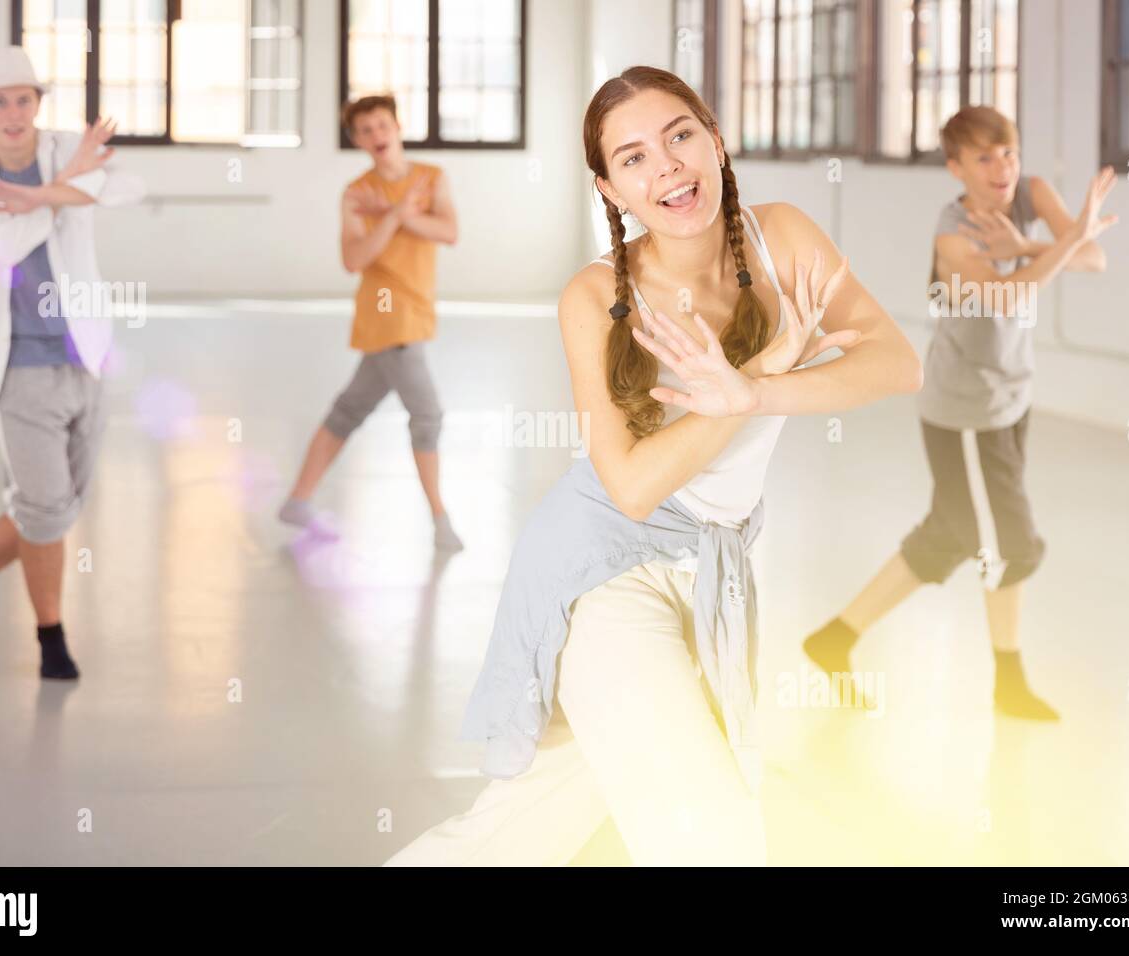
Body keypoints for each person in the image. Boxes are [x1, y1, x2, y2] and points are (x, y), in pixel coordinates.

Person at [385, 66, 922, 866]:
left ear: (716, 139)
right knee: (711, 837)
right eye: (633, 157)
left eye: (679, 136)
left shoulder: (786, 238)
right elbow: (631, 486)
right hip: (605, 576)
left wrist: (754, 389)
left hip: (713, 569)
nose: (666, 166)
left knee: (515, 835)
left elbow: (896, 363)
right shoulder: (596, 295)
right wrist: (747, 388)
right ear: (610, 189)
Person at [803, 106, 1117, 721]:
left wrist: (1034, 241)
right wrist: (1069, 238)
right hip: (965, 413)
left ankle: (833, 639)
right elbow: (1017, 289)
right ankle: (1009, 683)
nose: (1002, 168)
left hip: (1011, 400)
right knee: (1010, 545)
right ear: (956, 168)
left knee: (950, 535)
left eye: (1009, 153)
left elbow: (1092, 261)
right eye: (983, 158)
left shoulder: (1031, 195)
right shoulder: (953, 234)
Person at [0, 45, 145, 679]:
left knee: (55, 504)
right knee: (47, 510)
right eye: (0, 101)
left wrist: (58, 183)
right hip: (19, 364)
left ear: (37, 105)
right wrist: (68, 189)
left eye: (25, 99)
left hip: (86, 353)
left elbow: (124, 188)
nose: (14, 112)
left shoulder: (61, 151)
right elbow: (11, 240)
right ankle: (51, 637)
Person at [279, 94, 463, 551]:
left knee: (349, 410)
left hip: (416, 310)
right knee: (427, 414)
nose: (376, 136)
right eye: (365, 131)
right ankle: (440, 519)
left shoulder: (431, 178)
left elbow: (449, 232)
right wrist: (397, 215)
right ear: (357, 140)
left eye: (382, 125)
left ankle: (298, 501)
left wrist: (395, 215)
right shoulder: (357, 193)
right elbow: (354, 258)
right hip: (386, 314)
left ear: (397, 127)